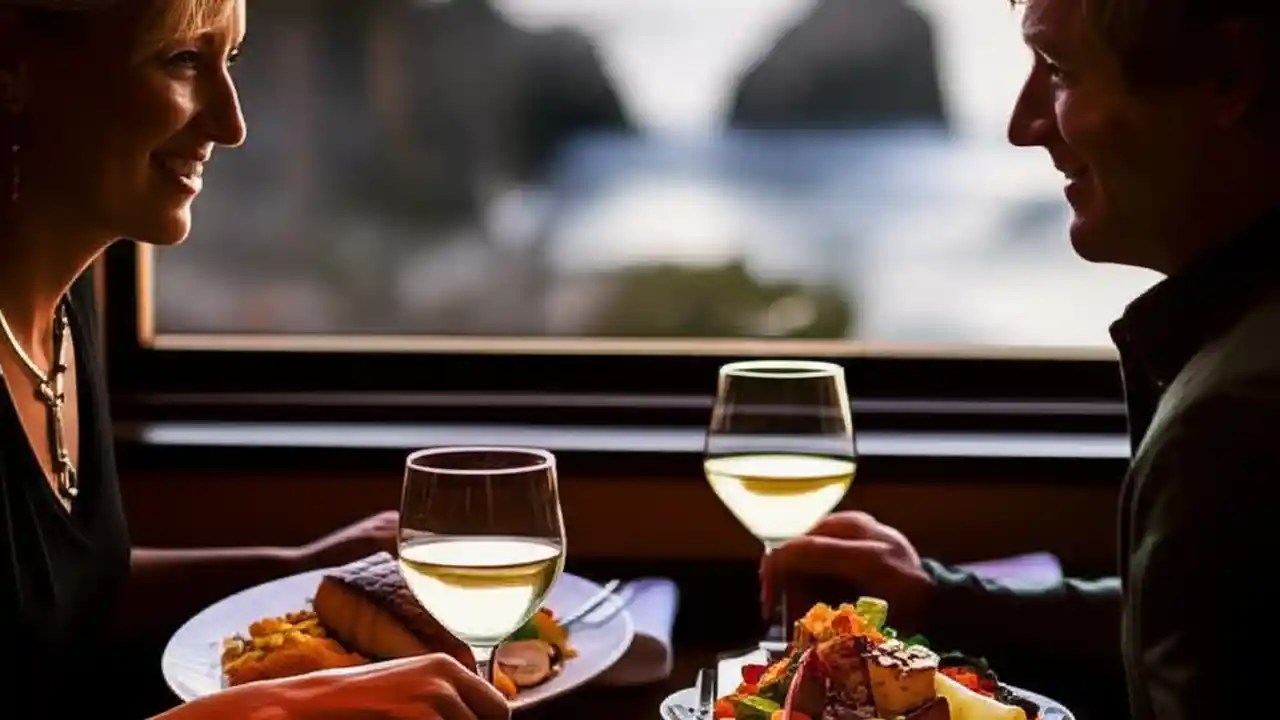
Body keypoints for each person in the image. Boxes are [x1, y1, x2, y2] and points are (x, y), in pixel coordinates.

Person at [762, 1, 1279, 719]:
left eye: (1060, 70)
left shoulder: (1233, 426)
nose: (1023, 124)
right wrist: (939, 602)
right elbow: (1210, 616)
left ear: (1229, 76)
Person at [0, 1, 509, 718]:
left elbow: (65, 595)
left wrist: (300, 570)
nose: (231, 124)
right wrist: (284, 707)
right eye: (181, 60)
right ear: (15, 67)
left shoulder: (62, 302)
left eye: (229, 61)